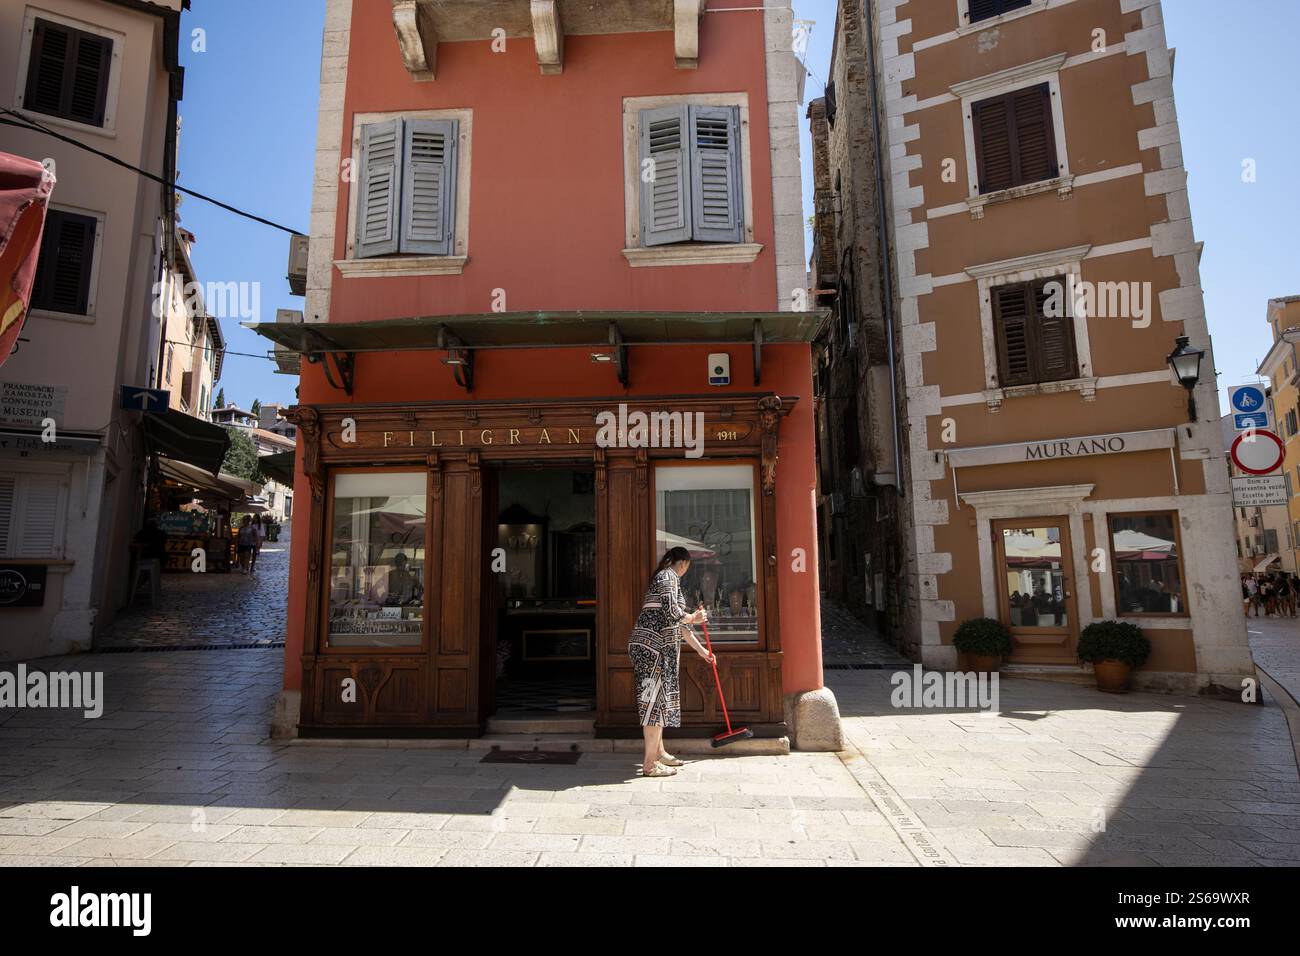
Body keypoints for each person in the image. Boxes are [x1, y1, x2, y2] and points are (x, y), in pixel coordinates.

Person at [628, 546, 715, 778]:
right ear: (684, 563)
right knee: (654, 704)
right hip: (652, 650)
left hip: (657, 650)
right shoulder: (668, 576)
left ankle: (659, 753)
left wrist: (702, 651)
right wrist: (693, 617)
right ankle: (649, 764)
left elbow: (680, 625)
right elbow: (671, 613)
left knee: (659, 703)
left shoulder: (668, 579)